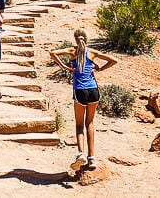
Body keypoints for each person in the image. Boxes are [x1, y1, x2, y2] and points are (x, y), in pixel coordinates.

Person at [50, 29, 118, 171]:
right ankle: (92, 158)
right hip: (93, 90)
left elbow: (52, 53)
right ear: (86, 39)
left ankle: (81, 154)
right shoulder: (92, 52)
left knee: (79, 125)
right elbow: (114, 60)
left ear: (75, 39)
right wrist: (99, 69)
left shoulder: (72, 51)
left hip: (80, 91)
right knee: (90, 123)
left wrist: (64, 66)